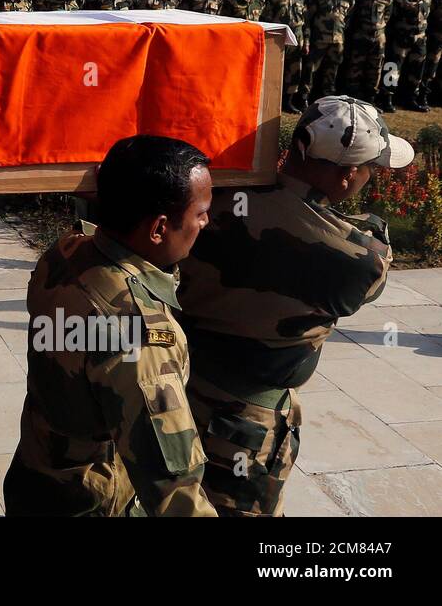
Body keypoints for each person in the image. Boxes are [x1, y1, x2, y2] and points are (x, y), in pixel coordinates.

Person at [174, 96, 408, 516]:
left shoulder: (214, 198)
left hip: (177, 388)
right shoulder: (357, 261)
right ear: (347, 175)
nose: (371, 178)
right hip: (244, 421)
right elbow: (371, 268)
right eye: (372, 169)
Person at [4, 135, 217, 517]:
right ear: (159, 228)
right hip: (94, 502)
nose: (206, 222)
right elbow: (172, 484)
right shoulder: (139, 334)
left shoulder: (66, 251)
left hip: (35, 478)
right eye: (200, 213)